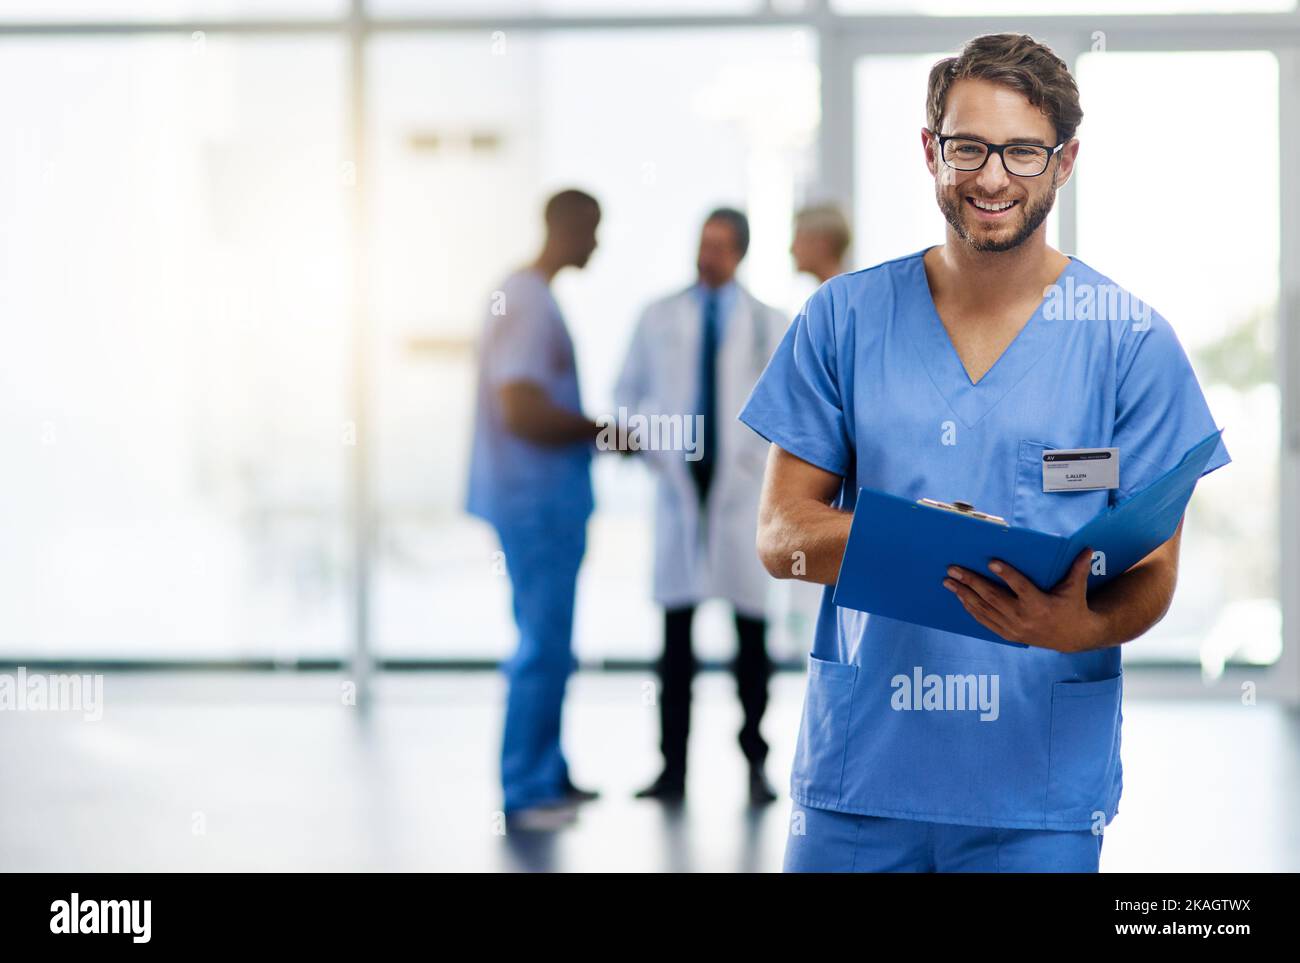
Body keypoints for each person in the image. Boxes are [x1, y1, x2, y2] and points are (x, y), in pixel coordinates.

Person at [739, 33, 1230, 871]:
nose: (993, 177)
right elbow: (781, 535)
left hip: (1036, 790)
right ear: (931, 150)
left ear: (1065, 162)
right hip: (862, 778)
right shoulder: (843, 320)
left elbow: (1155, 568)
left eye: (1023, 151)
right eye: (968, 146)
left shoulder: (1130, 342)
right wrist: (910, 537)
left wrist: (1082, 623)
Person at [616, 208, 786, 806]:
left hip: (743, 499)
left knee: (750, 645)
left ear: (739, 253)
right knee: (677, 646)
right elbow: (626, 397)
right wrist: (647, 445)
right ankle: (671, 771)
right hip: (678, 491)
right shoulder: (657, 316)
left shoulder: (769, 323)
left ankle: (755, 764)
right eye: (702, 244)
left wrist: (753, 462)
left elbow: (786, 413)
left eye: (718, 247)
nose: (706, 256)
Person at [466, 188, 607, 832]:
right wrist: (603, 432)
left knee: (553, 643)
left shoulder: (531, 295)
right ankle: (525, 789)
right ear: (569, 227)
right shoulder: (524, 300)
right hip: (535, 502)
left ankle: (547, 770)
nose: (598, 244)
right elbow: (521, 409)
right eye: (594, 231)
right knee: (541, 646)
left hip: (539, 499)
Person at [790, 203, 852, 283]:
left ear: (822, 244)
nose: (792, 249)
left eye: (798, 239)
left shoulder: (841, 293)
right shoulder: (845, 291)